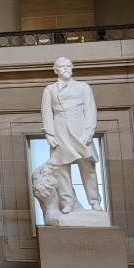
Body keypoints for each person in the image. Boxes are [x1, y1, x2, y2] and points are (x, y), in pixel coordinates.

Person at [40, 57, 102, 213]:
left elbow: (90, 111)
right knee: (61, 168)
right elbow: (46, 113)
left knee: (88, 166)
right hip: (60, 129)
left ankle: (94, 201)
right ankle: (67, 202)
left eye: (68, 66)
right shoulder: (50, 90)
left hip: (80, 129)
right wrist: (49, 135)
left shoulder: (83, 87)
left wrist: (89, 132)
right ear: (56, 70)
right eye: (62, 66)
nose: (66, 68)